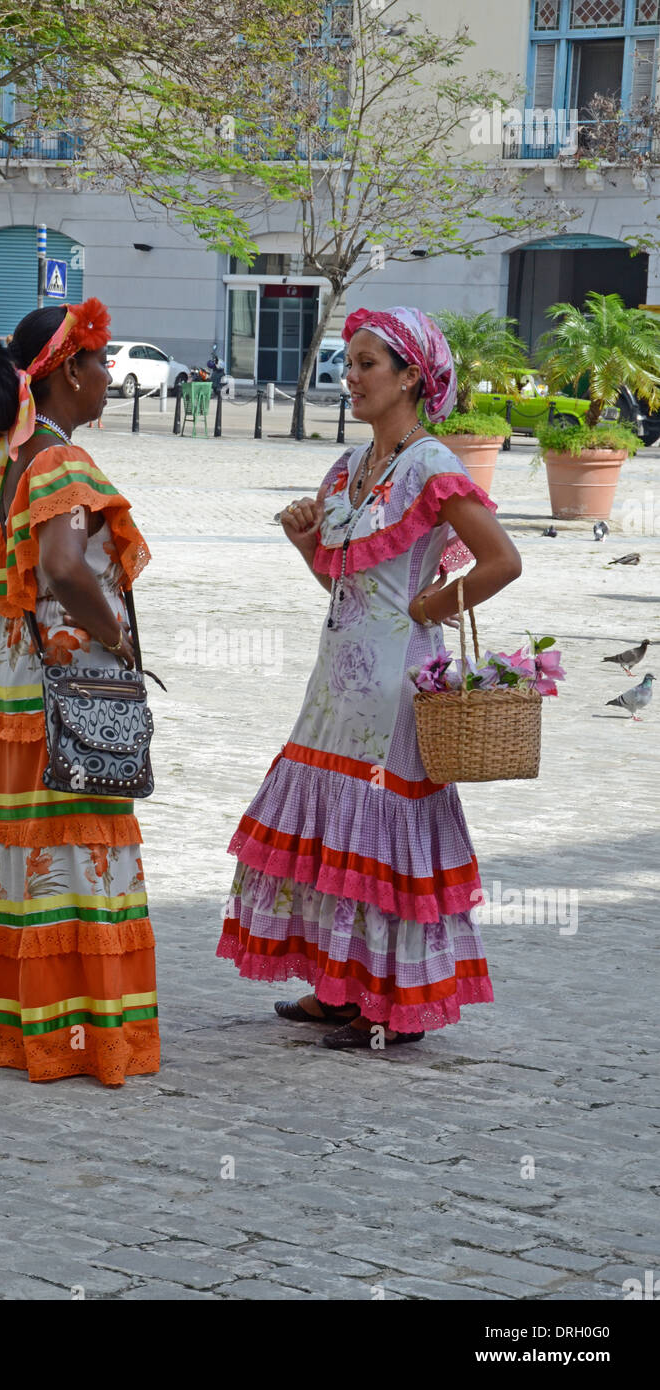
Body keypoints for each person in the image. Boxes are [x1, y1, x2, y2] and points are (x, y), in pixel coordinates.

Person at [217, 306, 522, 1049]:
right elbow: (346, 587)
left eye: (365, 364)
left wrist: (429, 606)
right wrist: (305, 545)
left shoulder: (433, 466)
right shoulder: (350, 468)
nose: (349, 377)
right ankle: (338, 987)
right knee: (335, 828)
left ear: (411, 377)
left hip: (395, 684)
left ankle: (387, 1003)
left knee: (379, 834)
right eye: (347, 363)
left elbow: (503, 561)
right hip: (336, 678)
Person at [0, 300, 159, 1085]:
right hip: (60, 682)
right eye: (99, 361)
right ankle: (71, 1030)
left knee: (8, 846)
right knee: (69, 847)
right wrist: (116, 635)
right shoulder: (60, 462)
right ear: (67, 371)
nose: (108, 374)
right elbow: (63, 567)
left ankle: (1, 1015)